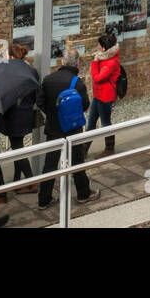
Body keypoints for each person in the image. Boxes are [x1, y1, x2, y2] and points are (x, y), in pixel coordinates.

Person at [35, 46, 98, 208]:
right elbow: (85, 104)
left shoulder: (48, 80)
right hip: (73, 129)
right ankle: (83, 193)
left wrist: (53, 115)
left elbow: (40, 102)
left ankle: (44, 199)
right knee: (77, 162)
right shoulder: (78, 84)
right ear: (77, 65)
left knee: (50, 165)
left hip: (54, 129)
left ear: (62, 61)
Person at [0, 45, 39, 194]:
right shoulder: (31, 71)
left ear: (11, 57)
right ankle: (17, 181)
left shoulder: (8, 72)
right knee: (18, 146)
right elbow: (36, 93)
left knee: (17, 150)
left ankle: (32, 182)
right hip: (26, 113)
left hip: (13, 115)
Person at [87, 31, 121, 156]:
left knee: (106, 123)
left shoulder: (111, 62)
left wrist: (95, 62)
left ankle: (109, 149)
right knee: (91, 123)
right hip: (98, 95)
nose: (97, 47)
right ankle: (83, 151)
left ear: (104, 48)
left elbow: (97, 78)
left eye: (99, 45)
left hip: (105, 96)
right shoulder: (105, 57)